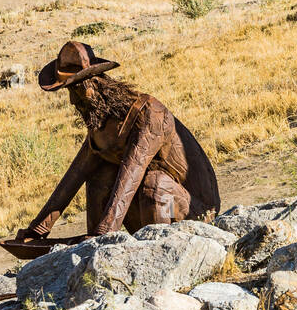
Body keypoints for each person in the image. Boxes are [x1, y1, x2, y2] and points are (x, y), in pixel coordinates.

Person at [14, 41, 219, 240]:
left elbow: (131, 174)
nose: (73, 100)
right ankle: (93, 249)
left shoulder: (150, 114)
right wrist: (37, 229)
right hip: (152, 208)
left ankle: (155, 250)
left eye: (77, 89)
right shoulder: (105, 126)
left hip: (192, 213)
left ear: (96, 85)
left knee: (155, 184)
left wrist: (106, 231)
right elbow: (74, 176)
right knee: (99, 176)